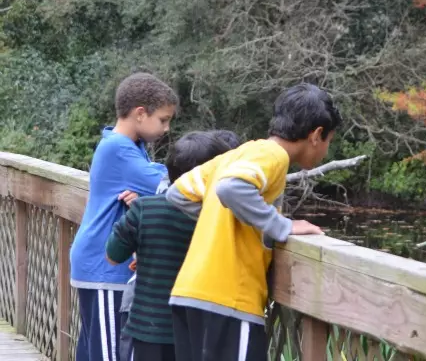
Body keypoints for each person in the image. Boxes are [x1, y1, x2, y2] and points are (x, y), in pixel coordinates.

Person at [166, 83, 342, 361]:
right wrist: (282, 226)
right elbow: (231, 189)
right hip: (228, 299)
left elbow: (176, 194)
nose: (326, 150)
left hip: (189, 294)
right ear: (316, 135)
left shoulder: (236, 155)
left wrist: (220, 217)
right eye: (329, 140)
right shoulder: (273, 156)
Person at [69, 72, 179, 361]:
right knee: (110, 353)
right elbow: (177, 183)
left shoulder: (129, 147)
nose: (166, 128)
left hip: (101, 261)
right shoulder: (119, 148)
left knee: (97, 349)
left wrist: (144, 199)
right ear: (140, 114)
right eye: (164, 120)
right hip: (104, 264)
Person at [105, 130, 241, 361]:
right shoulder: (220, 217)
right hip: (197, 330)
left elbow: (113, 255)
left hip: (146, 329)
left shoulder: (144, 209)